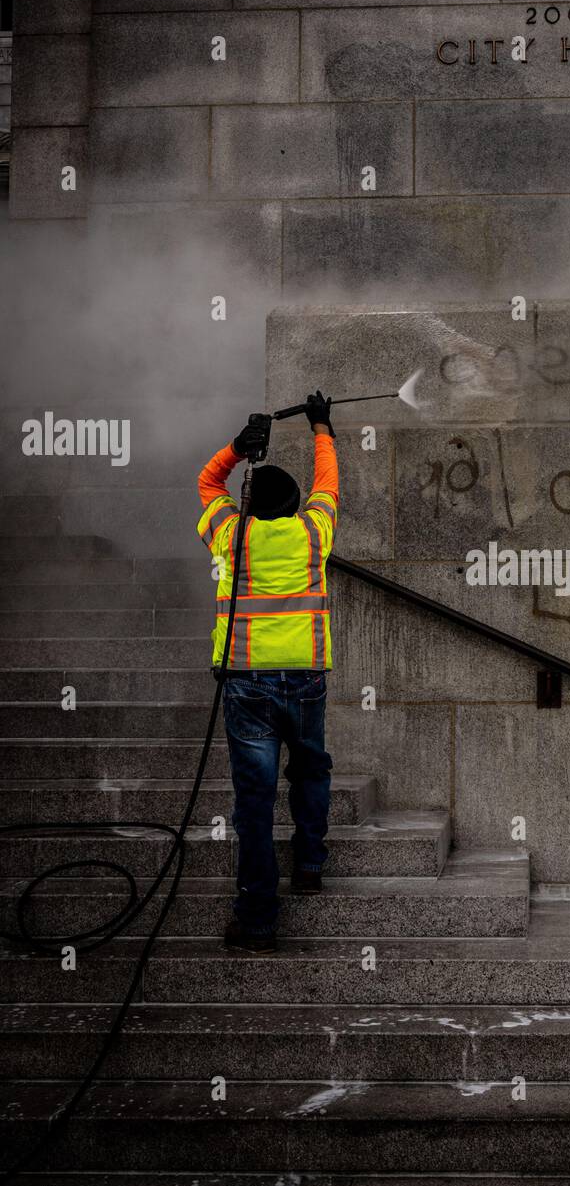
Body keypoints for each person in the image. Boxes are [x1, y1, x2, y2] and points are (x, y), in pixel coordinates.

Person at [196, 392, 339, 952]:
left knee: (253, 800)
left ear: (250, 506)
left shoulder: (234, 536)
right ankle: (309, 861)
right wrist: (320, 425)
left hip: (247, 682)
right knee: (309, 769)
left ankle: (257, 918)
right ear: (296, 503)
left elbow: (208, 486)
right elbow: (329, 483)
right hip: (305, 678)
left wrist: (237, 447)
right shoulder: (312, 533)